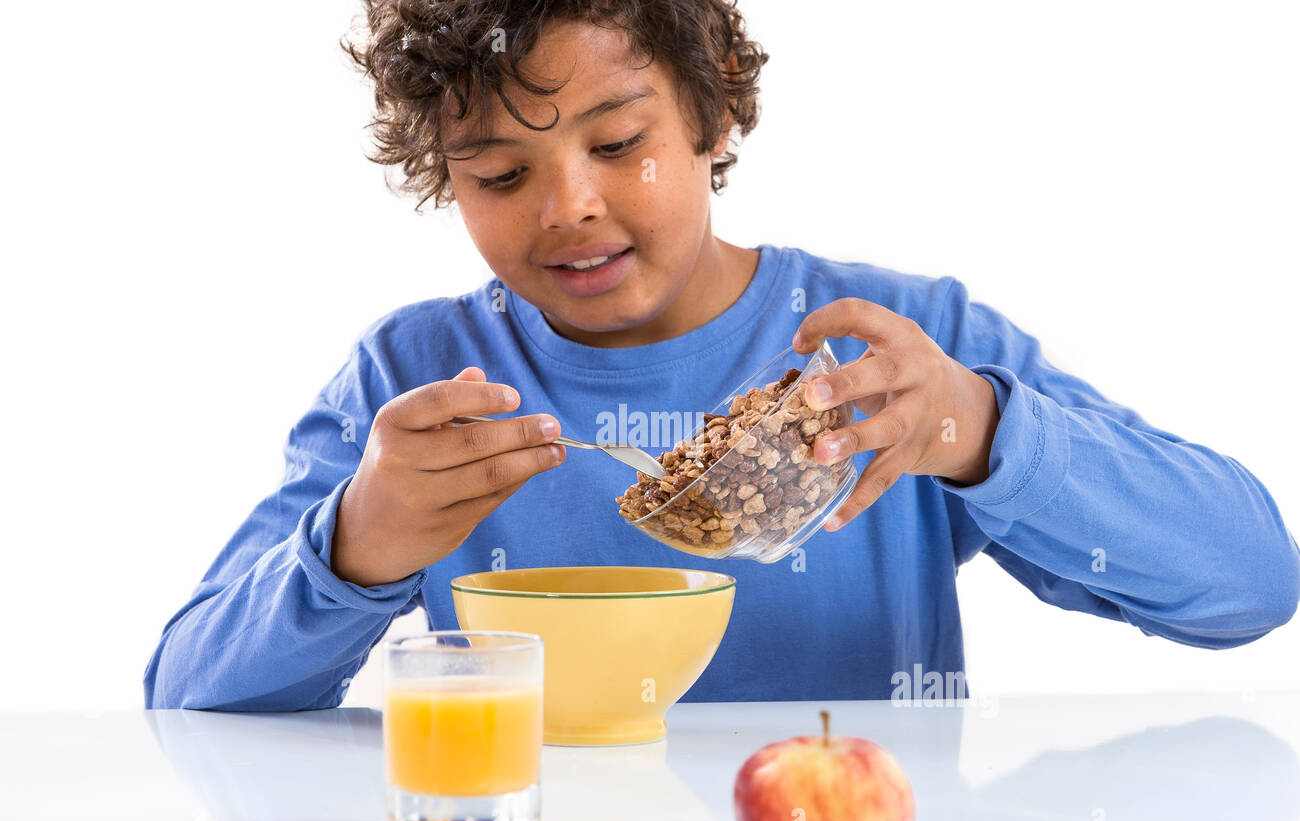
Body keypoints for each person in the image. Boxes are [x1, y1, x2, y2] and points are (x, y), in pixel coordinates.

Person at [143, 0, 1299, 711]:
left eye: (619, 141)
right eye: (499, 174)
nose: (568, 207)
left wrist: (977, 429)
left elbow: (1249, 582)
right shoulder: (417, 381)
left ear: (712, 117)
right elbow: (186, 701)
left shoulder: (889, 352)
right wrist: (359, 542)